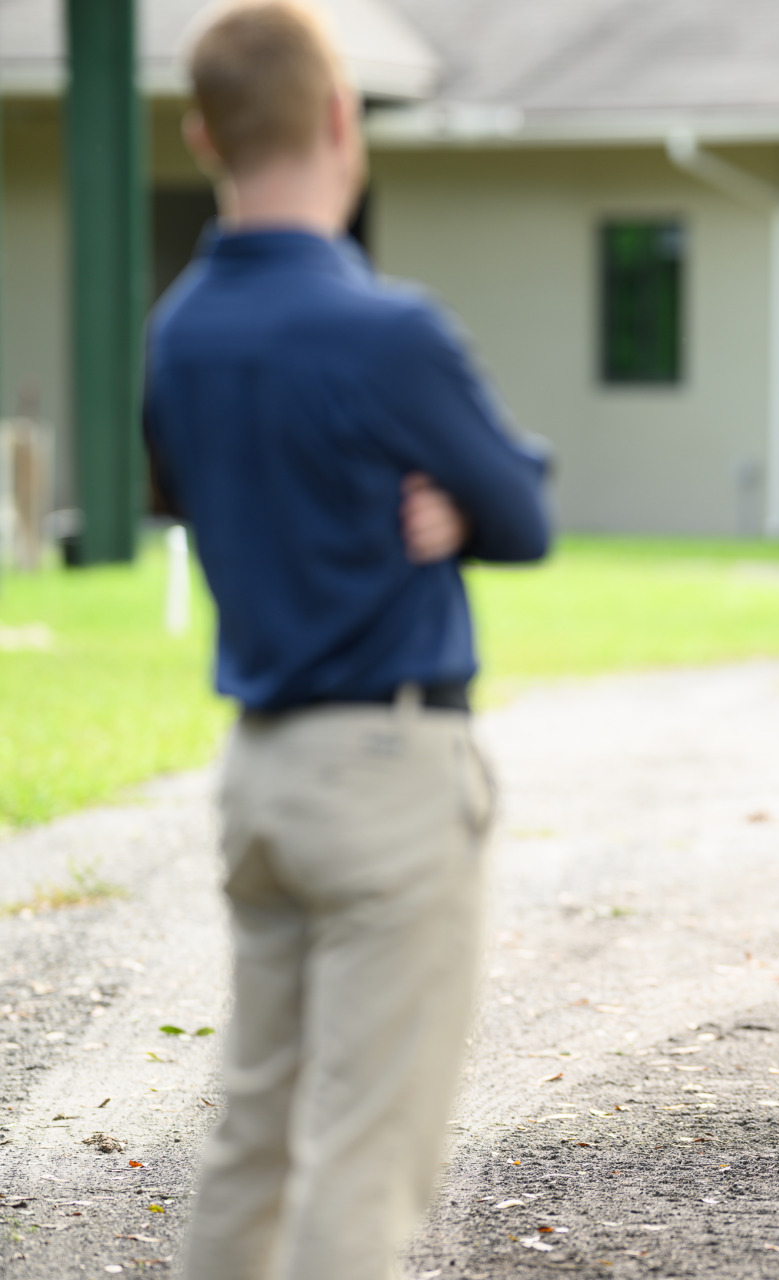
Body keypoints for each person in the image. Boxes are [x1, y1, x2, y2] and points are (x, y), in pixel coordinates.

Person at [144, 3, 550, 1276]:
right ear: (338, 117)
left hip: (259, 770)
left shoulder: (178, 331)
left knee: (253, 1139)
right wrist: (459, 498)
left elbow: (199, 489)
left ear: (203, 136)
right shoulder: (390, 332)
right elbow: (523, 511)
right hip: (387, 773)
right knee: (365, 1168)